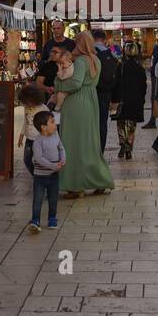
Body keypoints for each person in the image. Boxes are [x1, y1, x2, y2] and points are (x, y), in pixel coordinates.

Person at [54, 31, 115, 197]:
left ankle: (76, 186)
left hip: (76, 102)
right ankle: (100, 180)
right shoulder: (96, 59)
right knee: (89, 143)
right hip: (91, 100)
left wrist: (59, 82)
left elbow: (75, 83)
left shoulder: (80, 61)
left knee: (73, 143)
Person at [28, 110, 66, 232]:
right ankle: (35, 220)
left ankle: (52, 218)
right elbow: (39, 159)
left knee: (53, 198)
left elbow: (61, 148)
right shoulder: (38, 141)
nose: (55, 124)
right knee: (38, 199)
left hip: (54, 176)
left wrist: (63, 159)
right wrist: (52, 166)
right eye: (52, 122)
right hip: (40, 177)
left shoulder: (56, 135)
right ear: (44, 127)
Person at [111, 40, 147, 159]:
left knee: (121, 124)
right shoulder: (140, 68)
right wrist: (142, 100)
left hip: (122, 100)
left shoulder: (121, 66)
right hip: (135, 101)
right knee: (131, 126)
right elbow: (143, 87)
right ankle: (129, 148)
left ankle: (123, 145)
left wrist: (113, 99)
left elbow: (115, 83)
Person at [91, 28, 119, 154]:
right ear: (104, 40)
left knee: (91, 121)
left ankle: (92, 148)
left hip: (92, 90)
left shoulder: (91, 53)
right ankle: (100, 150)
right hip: (106, 92)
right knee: (103, 121)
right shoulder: (110, 53)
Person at [17, 83, 49, 175]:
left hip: (40, 140)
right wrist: (21, 135)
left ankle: (41, 176)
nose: (26, 105)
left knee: (41, 161)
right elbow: (25, 121)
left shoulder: (43, 108)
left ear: (34, 99)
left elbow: (49, 125)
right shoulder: (26, 108)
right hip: (29, 140)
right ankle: (36, 175)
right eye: (24, 103)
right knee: (27, 160)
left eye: (27, 102)